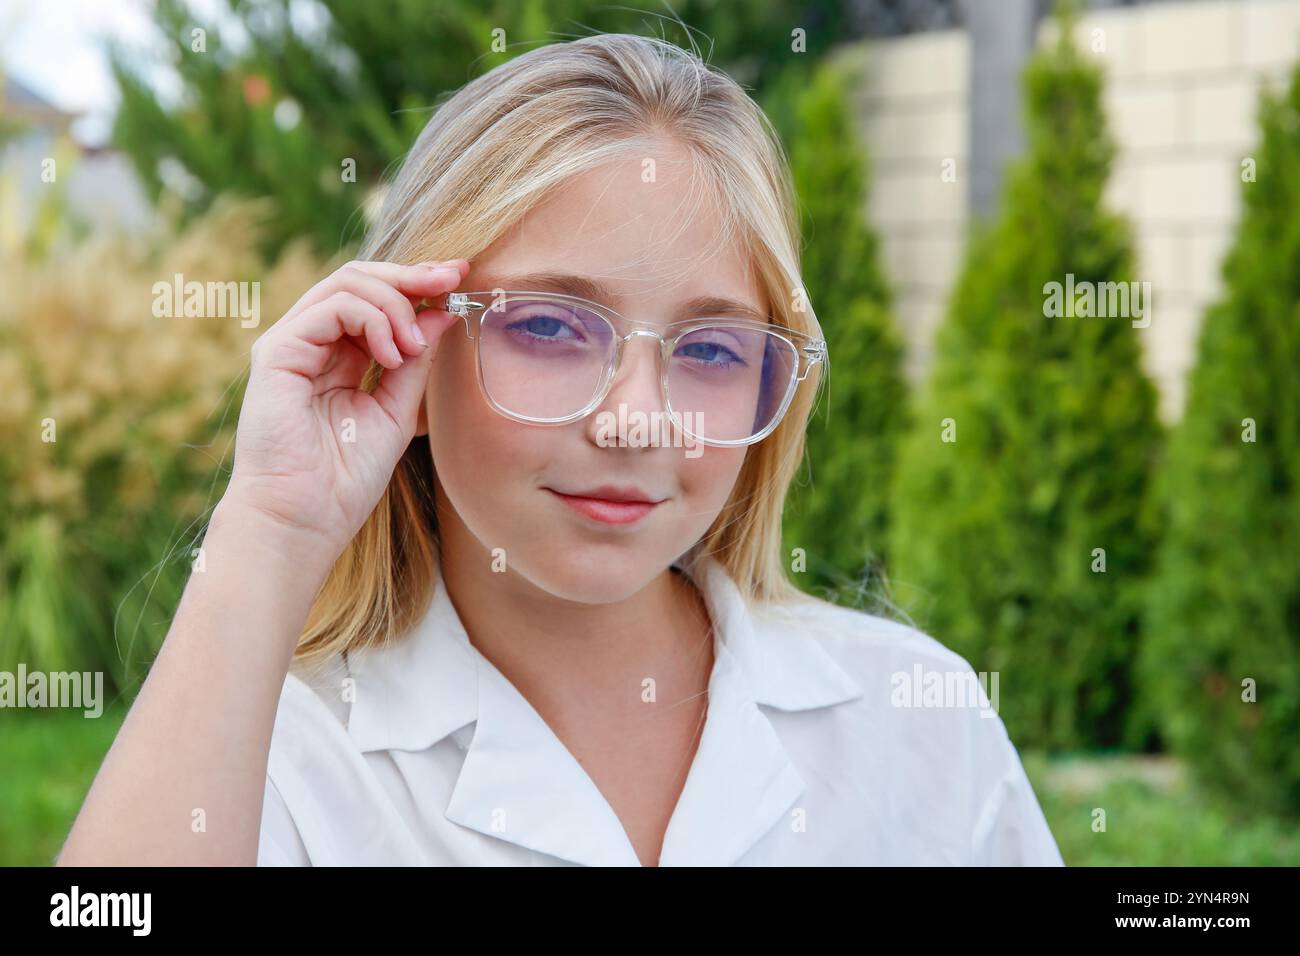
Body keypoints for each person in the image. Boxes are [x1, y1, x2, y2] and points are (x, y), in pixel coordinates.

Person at [58, 32, 1063, 867]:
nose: (635, 419)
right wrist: (269, 527)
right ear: (405, 338)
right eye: (546, 327)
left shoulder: (912, 719)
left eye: (710, 347)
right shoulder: (263, 754)